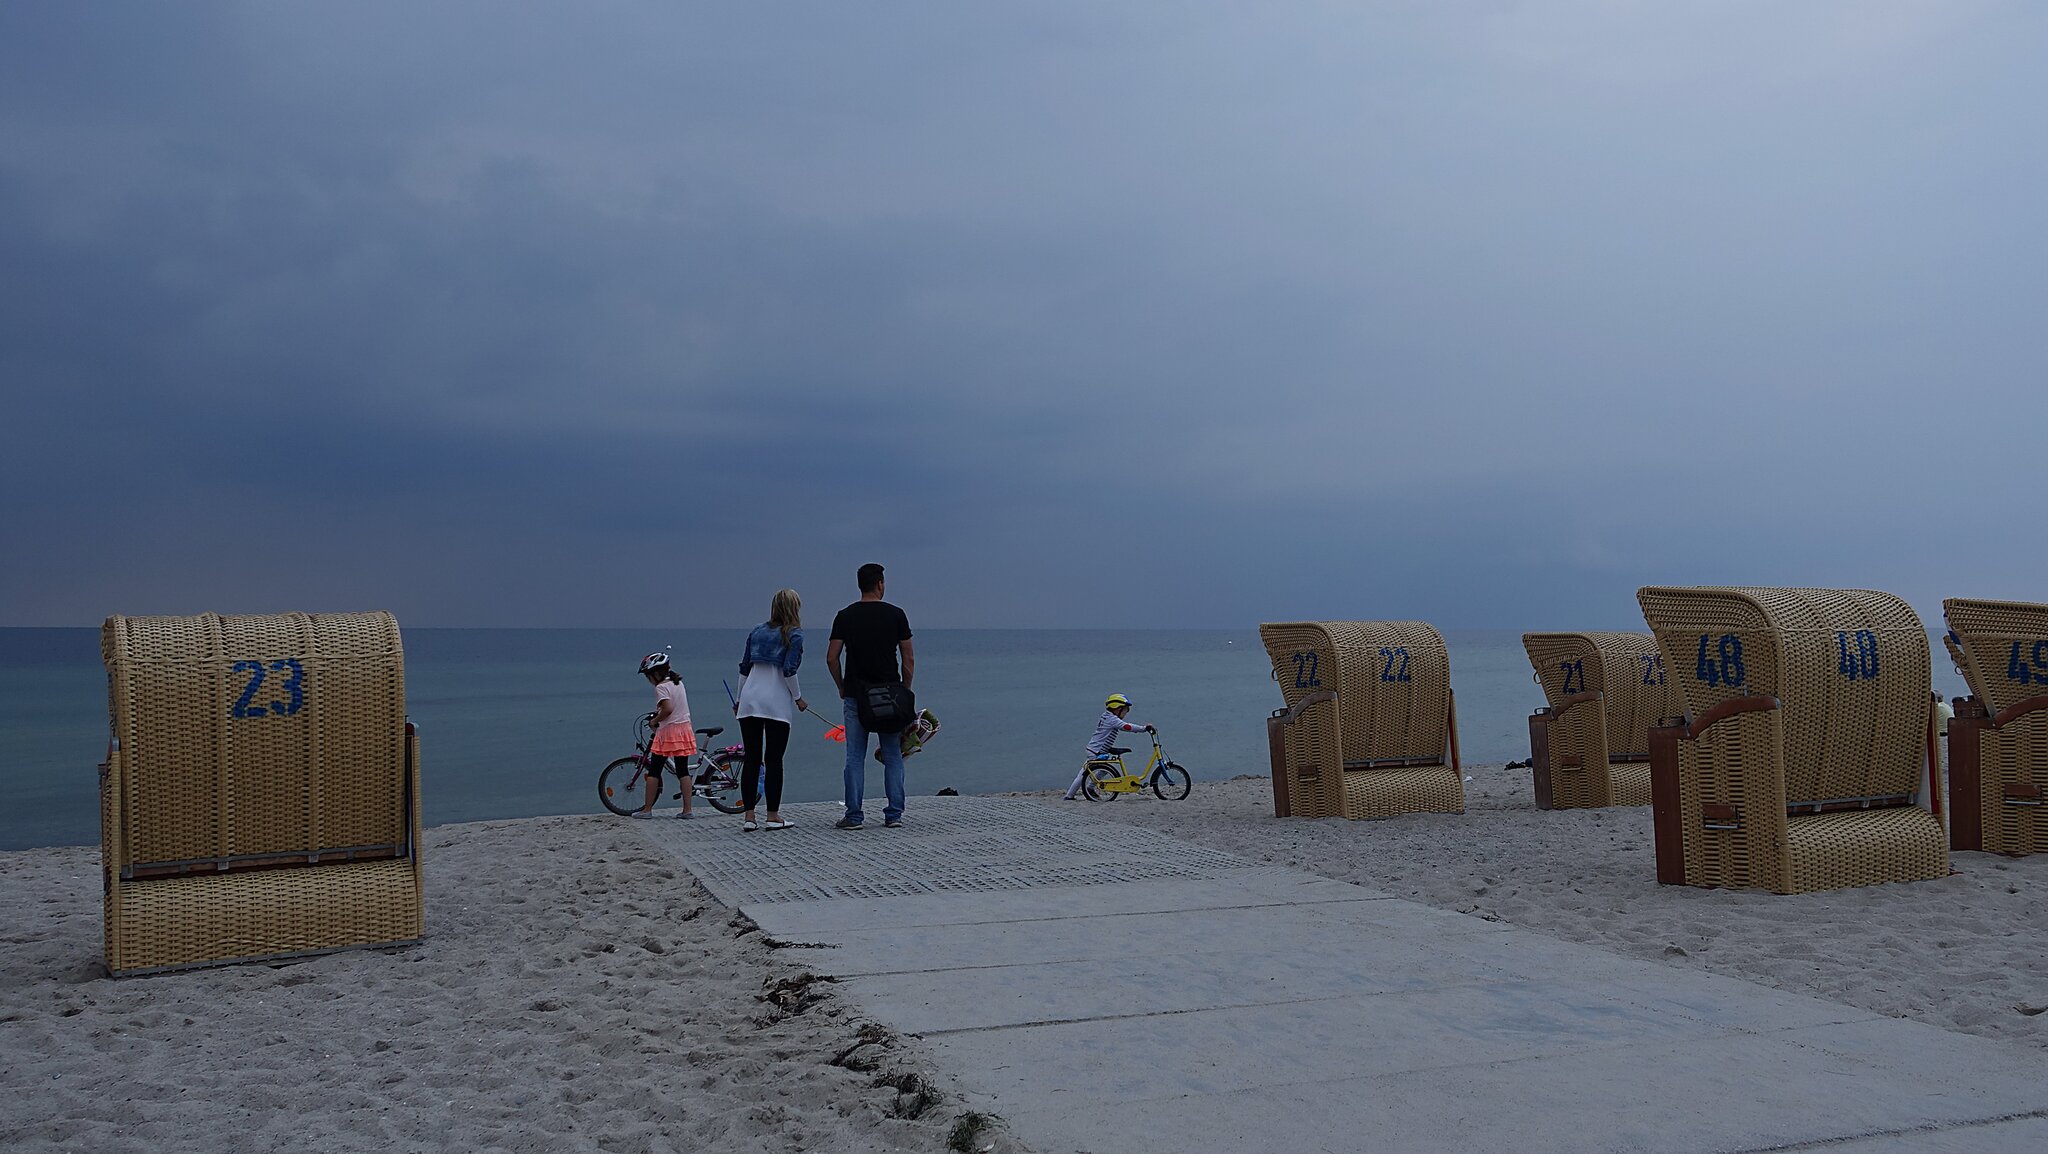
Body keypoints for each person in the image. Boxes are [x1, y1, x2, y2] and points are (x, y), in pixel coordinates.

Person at [826, 562, 913, 829]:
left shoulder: (845, 616)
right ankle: (894, 814)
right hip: (889, 694)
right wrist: (906, 690)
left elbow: (832, 658)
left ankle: (854, 815)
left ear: (860, 585)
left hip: (856, 694)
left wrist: (841, 686)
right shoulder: (896, 615)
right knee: (893, 755)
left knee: (854, 757)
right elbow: (908, 659)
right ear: (879, 584)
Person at [735, 589, 808, 832]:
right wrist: (798, 698)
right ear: (794, 608)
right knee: (774, 760)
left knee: (752, 759)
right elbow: (789, 671)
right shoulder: (794, 635)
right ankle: (773, 815)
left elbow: (744, 667)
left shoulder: (757, 631)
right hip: (775, 702)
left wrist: (738, 698)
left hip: (750, 699)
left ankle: (748, 816)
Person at [635, 651, 696, 819]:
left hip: (668, 731)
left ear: (655, 674)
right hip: (684, 729)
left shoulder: (661, 687)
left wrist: (655, 721)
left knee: (654, 770)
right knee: (682, 770)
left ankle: (647, 810)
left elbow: (668, 709)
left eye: (648, 676)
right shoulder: (678, 683)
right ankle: (687, 810)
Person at [1063, 693, 1152, 800]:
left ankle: (1084, 789)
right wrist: (1143, 728)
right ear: (1117, 708)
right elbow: (1127, 727)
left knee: (1100, 770)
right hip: (1096, 751)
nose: (1126, 713)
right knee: (1084, 774)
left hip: (1095, 749)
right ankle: (1072, 794)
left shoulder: (1107, 716)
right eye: (1125, 710)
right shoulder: (1112, 720)